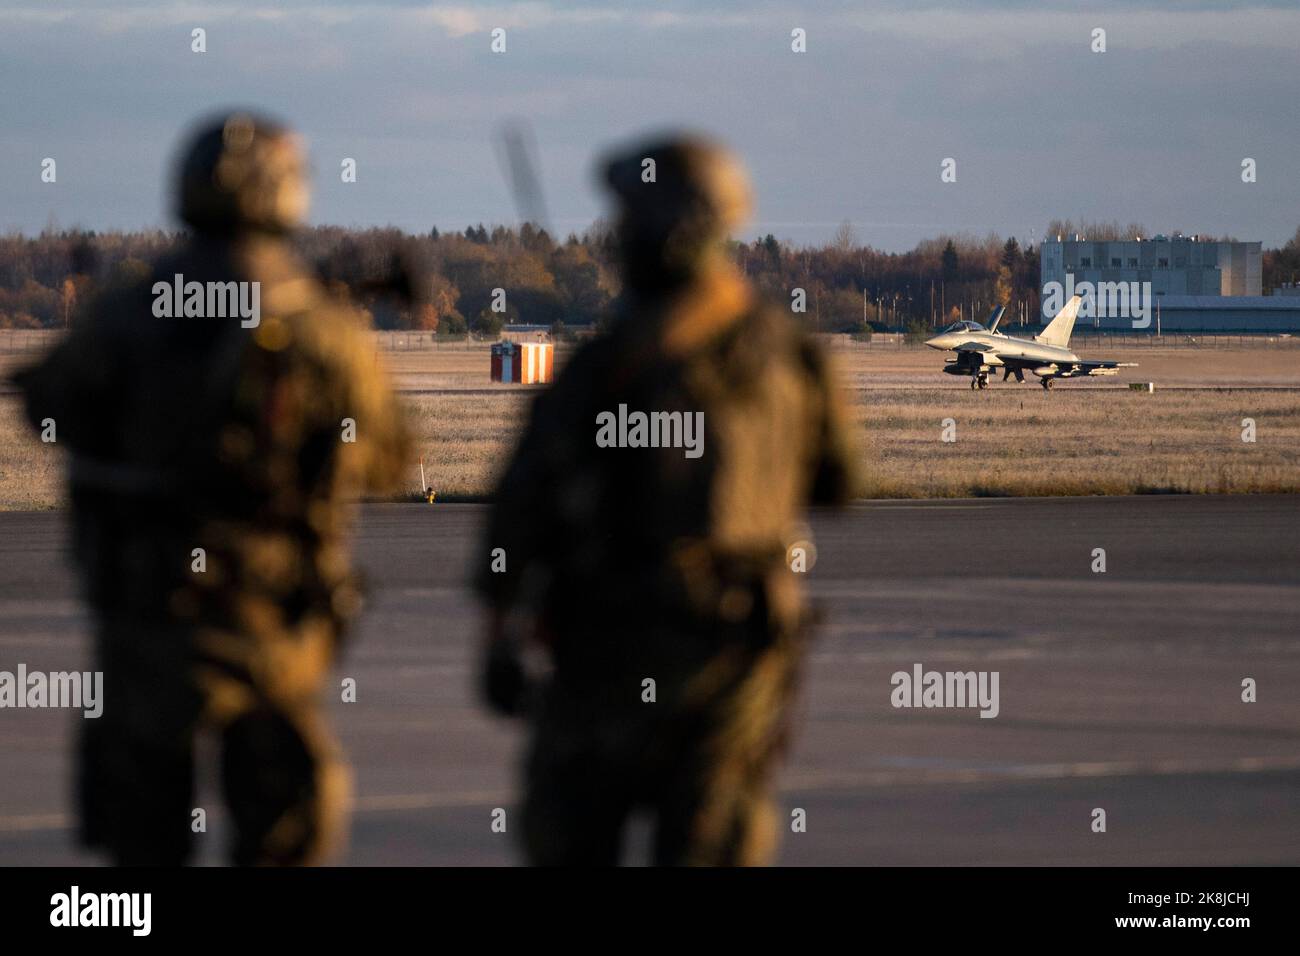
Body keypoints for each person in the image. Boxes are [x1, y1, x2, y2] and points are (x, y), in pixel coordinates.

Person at [12, 111, 408, 865]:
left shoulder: (132, 312)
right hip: (272, 620)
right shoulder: (322, 329)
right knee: (283, 830)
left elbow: (48, 404)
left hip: (146, 612)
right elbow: (388, 461)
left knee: (139, 849)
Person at [475, 133, 857, 865]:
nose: (612, 237)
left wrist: (497, 634)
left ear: (665, 230)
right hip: (735, 663)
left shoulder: (605, 367)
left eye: (625, 220)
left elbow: (520, 513)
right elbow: (838, 485)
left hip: (605, 656)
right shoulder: (792, 355)